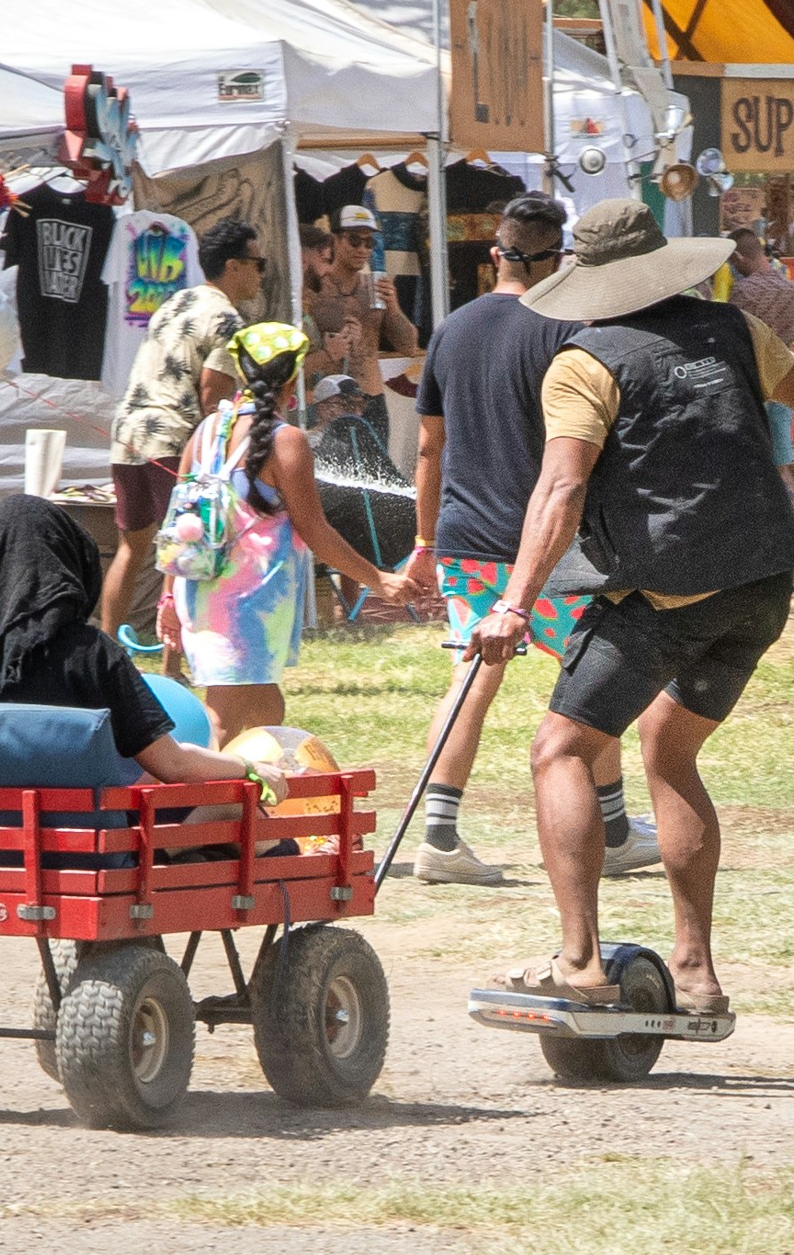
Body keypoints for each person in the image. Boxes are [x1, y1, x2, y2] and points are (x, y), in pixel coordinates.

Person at [466, 199, 794, 1012]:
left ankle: (579, 965)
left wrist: (512, 603)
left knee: (561, 752)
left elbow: (563, 487)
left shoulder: (583, 362)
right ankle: (695, 974)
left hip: (669, 590)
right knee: (668, 751)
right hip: (758, 586)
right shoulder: (730, 329)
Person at [399, 197, 657, 886]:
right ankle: (614, 831)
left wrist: (425, 542)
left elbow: (430, 448)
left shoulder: (451, 331)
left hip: (463, 539)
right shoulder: (572, 330)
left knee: (470, 680)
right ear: (562, 259)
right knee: (594, 683)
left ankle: (439, 836)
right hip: (552, 548)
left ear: (496, 254)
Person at [158, 324, 431, 738]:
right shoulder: (287, 442)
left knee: (264, 707)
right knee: (228, 720)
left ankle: (259, 799)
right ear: (294, 378)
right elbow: (316, 530)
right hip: (249, 603)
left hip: (199, 593)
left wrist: (167, 598)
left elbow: (176, 525)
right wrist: (379, 579)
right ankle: (221, 799)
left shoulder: (205, 432)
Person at [0, 493, 285, 794]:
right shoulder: (87, 654)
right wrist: (246, 766)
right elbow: (173, 766)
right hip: (78, 847)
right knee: (229, 806)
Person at [105, 219, 260, 655]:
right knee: (187, 548)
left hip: (128, 432)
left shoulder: (176, 302)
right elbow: (213, 395)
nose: (261, 273)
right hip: (173, 438)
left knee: (130, 550)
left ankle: (104, 653)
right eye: (257, 263)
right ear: (234, 266)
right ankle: (176, 665)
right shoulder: (228, 319)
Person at [302, 211, 420, 449]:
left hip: (371, 400)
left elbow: (408, 346)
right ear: (334, 240)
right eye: (354, 240)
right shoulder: (314, 288)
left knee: (377, 482)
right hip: (330, 400)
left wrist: (394, 308)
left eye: (369, 242)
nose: (363, 249)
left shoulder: (374, 288)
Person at [729, 222, 794, 500]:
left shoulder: (744, 293)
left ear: (739, 257)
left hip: (752, 381)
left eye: (732, 262)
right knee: (781, 465)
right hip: (785, 378)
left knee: (747, 462)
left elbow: (737, 337)